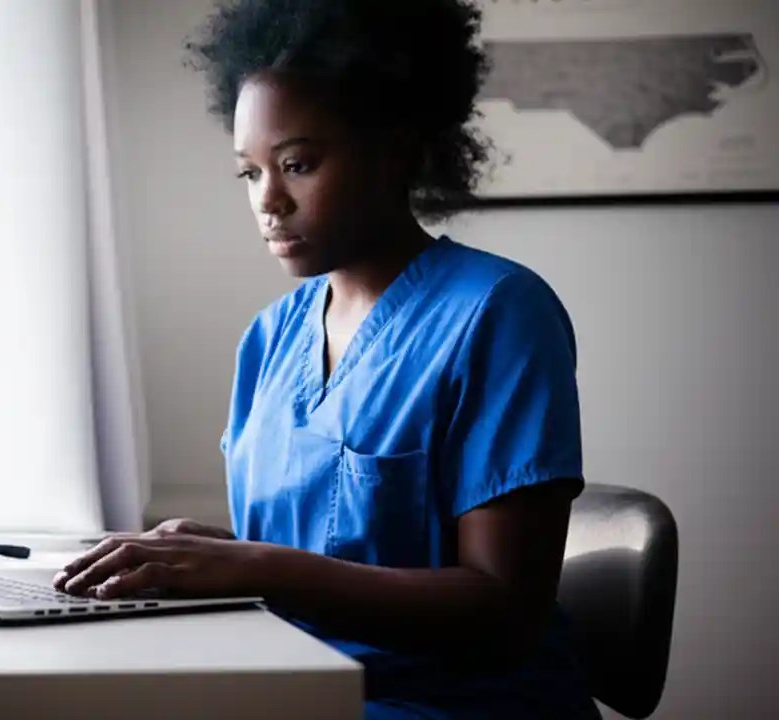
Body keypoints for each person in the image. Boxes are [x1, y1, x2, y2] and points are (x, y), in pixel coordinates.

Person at [53, 1, 600, 717]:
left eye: (297, 164)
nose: (269, 201)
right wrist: (213, 558)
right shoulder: (271, 338)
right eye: (249, 174)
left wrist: (257, 566)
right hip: (293, 686)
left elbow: (504, 613)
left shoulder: (498, 313)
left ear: (396, 147)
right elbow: (316, 558)